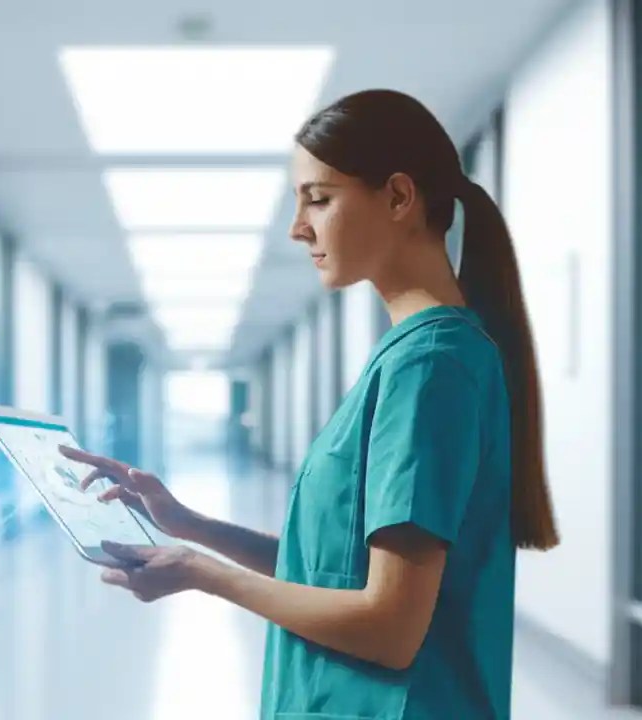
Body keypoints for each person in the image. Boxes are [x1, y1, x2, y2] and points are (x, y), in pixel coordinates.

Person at [59, 88, 558, 720]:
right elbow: (333, 569)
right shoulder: (412, 356)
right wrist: (188, 524)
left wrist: (202, 572)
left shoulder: (430, 366)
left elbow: (389, 628)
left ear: (400, 198)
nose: (299, 228)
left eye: (318, 199)